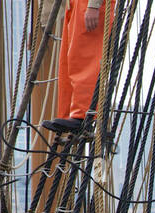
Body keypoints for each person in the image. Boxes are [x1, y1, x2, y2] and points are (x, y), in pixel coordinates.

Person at [46, 0, 116, 131]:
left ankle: (83, 114)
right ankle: (69, 114)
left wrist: (94, 5)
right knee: (70, 62)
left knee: (85, 60)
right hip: (76, 5)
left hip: (90, 6)